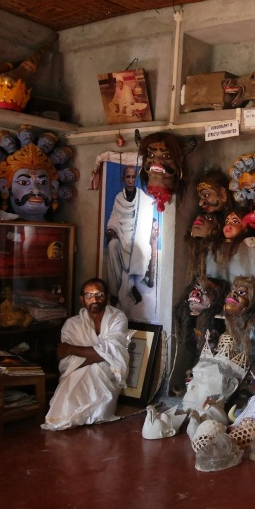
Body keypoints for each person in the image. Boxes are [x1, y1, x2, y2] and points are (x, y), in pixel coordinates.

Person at [42, 278, 130, 431]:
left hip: (105, 372)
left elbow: (114, 350)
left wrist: (72, 349)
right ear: (82, 299)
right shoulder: (72, 324)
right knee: (64, 405)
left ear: (107, 296)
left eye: (99, 294)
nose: (94, 299)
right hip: (75, 373)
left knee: (97, 371)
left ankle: (91, 416)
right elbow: (66, 360)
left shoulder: (117, 317)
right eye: (89, 295)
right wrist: (100, 353)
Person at [105, 165, 156, 310]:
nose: (131, 180)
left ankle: (130, 287)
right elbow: (114, 217)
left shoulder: (142, 197)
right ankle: (115, 292)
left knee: (140, 250)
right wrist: (111, 229)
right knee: (112, 245)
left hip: (137, 237)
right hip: (121, 234)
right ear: (123, 179)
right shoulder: (119, 198)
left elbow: (149, 208)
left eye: (133, 177)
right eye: (128, 177)